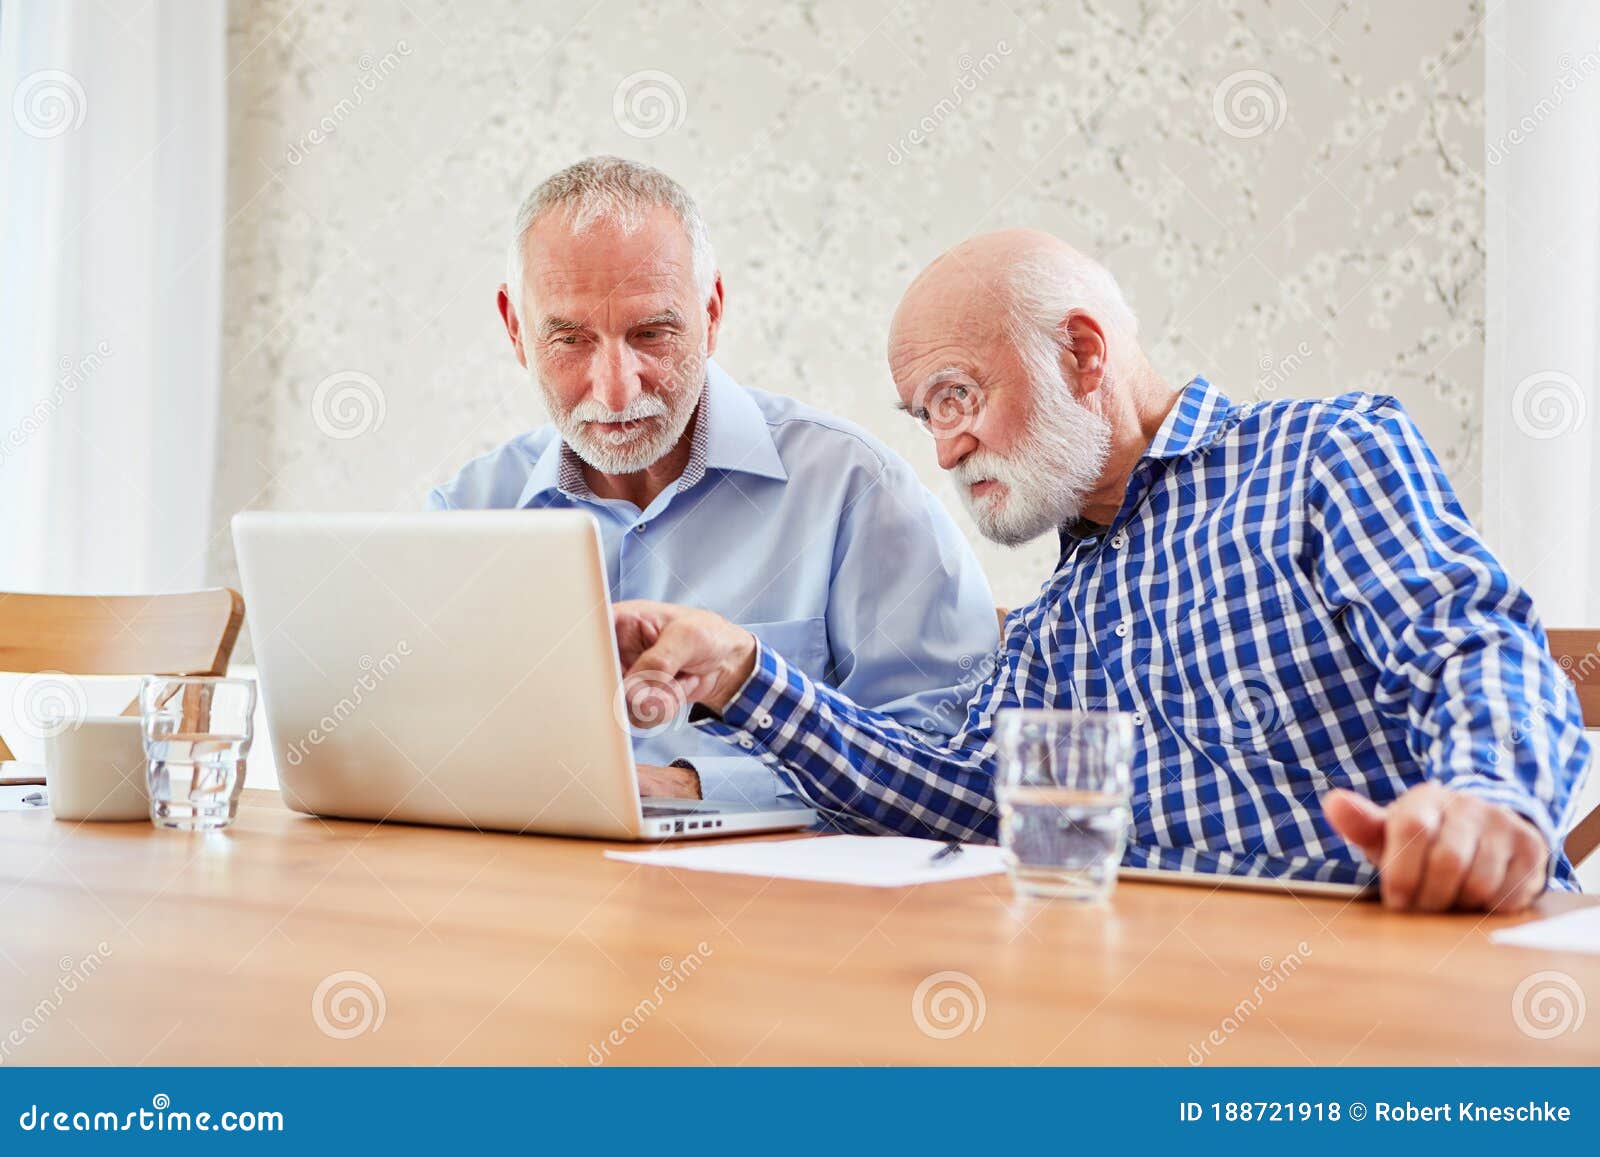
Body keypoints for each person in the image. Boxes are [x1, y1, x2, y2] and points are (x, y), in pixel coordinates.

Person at [611, 228, 1592, 913]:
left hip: (1421, 962)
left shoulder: (1319, 455)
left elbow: (1470, 644)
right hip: (1170, 1008)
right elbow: (965, 797)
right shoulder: (1056, 619)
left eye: (958, 396)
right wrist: (743, 676)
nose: (945, 450)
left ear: (1083, 352)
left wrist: (1490, 797)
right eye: (926, 417)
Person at [429, 157, 998, 808]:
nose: (615, 390)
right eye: (570, 340)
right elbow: (415, 743)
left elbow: (951, 765)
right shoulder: (466, 513)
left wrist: (695, 787)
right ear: (515, 330)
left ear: (712, 312)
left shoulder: (854, 489)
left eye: (652, 333)